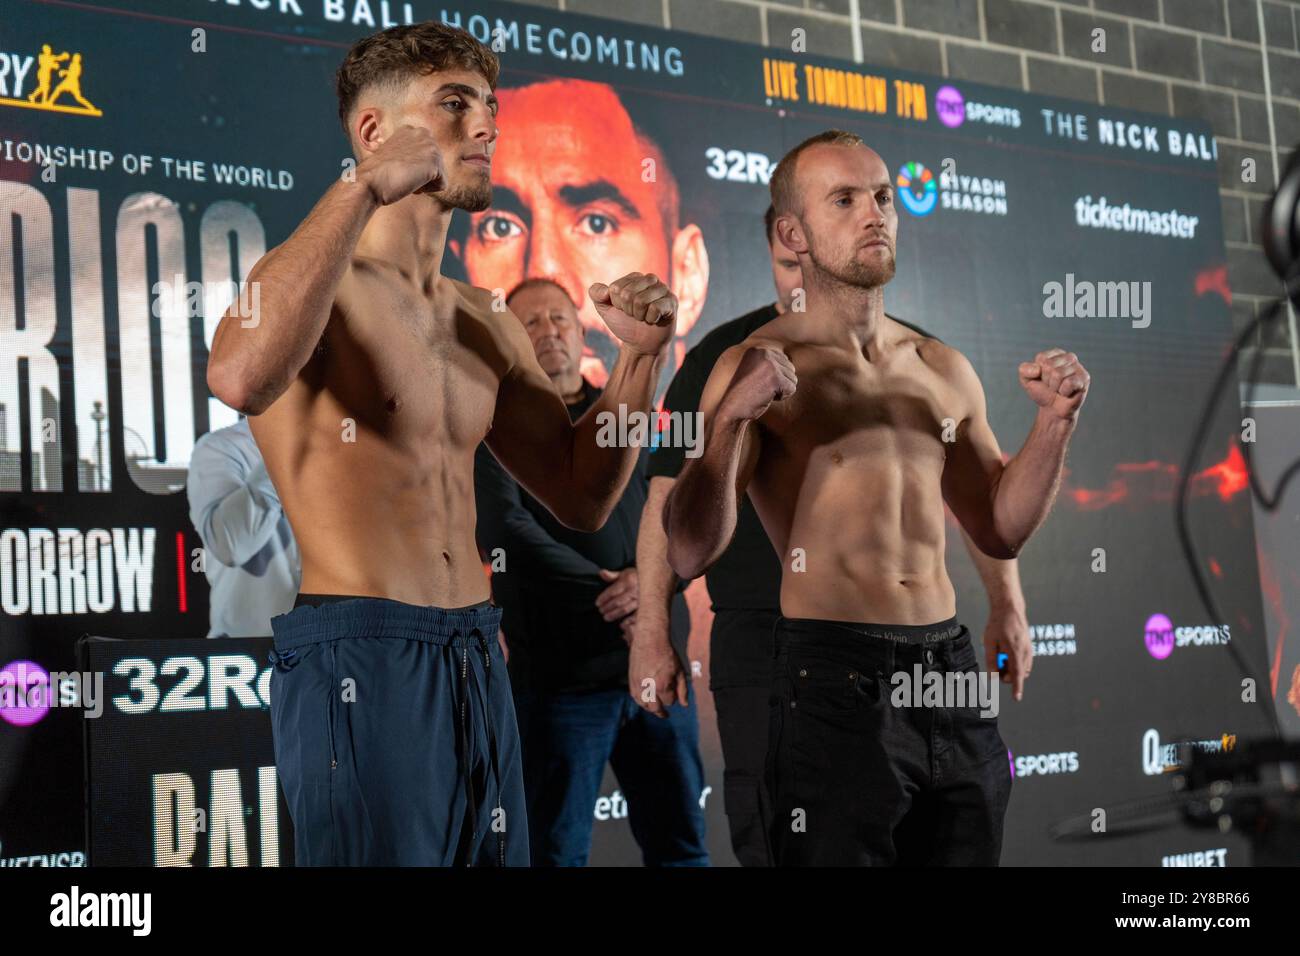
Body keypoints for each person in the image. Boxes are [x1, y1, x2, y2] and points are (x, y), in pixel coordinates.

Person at [206, 22, 676, 867]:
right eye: (454, 106)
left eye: (488, 109)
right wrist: (360, 189)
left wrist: (640, 364)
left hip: (477, 650)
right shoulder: (309, 283)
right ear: (374, 131)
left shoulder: (484, 318)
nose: (486, 127)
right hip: (361, 650)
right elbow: (239, 378)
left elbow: (581, 493)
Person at [663, 130, 1090, 866]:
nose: (875, 215)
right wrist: (730, 420)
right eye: (846, 199)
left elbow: (999, 527)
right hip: (834, 675)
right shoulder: (755, 364)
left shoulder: (939, 366)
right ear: (792, 233)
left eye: (884, 197)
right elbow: (689, 546)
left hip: (947, 666)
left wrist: (1055, 424)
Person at [475, 278, 707, 867]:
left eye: (559, 318)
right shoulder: (495, 429)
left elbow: (676, 511)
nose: (548, 331)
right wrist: (617, 592)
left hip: (656, 663)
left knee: (682, 848)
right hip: (560, 683)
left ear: (582, 333)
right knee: (556, 852)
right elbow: (504, 533)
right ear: (510, 341)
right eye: (530, 322)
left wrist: (650, 588)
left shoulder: (631, 418)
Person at [451, 78, 709, 385]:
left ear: (687, 272)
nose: (546, 274)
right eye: (500, 227)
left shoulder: (718, 421)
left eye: (596, 223)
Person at [186, 418, 300, 638]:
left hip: (332, 652)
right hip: (249, 654)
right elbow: (230, 546)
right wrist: (287, 444)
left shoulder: (350, 443)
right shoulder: (223, 447)